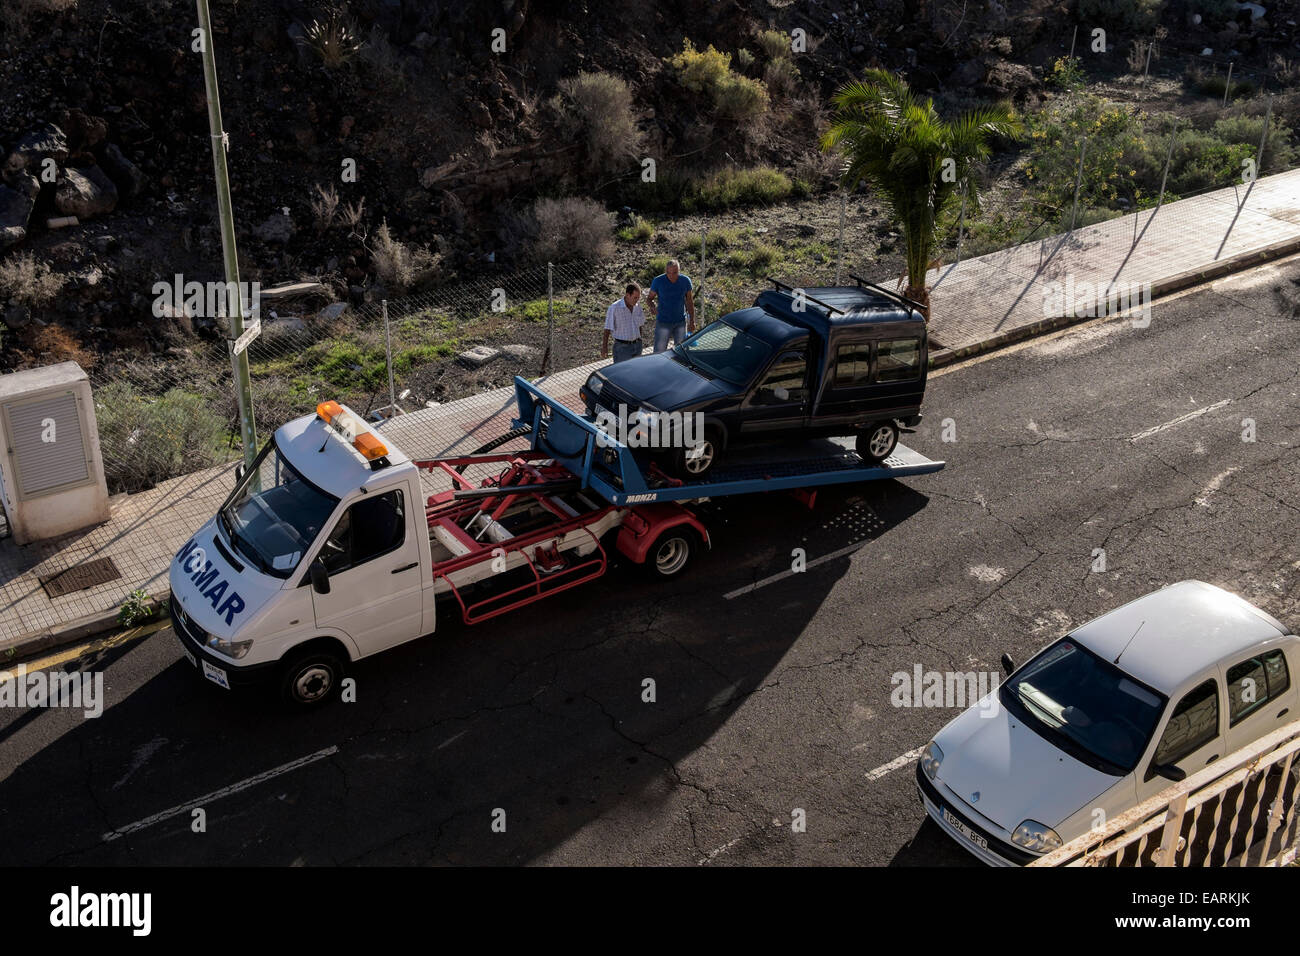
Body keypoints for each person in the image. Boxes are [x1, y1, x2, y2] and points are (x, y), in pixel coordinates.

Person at [645, 259, 695, 352]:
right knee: (659, 352)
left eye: (674, 273)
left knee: (681, 351)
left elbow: (689, 301)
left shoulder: (685, 281)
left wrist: (692, 321)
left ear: (679, 271)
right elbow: (649, 299)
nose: (671, 275)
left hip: (680, 321)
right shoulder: (658, 281)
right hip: (663, 322)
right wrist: (652, 306)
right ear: (665, 271)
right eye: (668, 273)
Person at [601, 282, 646, 363]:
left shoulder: (638, 306)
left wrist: (640, 340)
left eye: (638, 298)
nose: (637, 300)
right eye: (635, 298)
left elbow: (639, 325)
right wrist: (605, 348)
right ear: (628, 295)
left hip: (637, 345)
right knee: (622, 373)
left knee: (636, 371)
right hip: (622, 348)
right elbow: (607, 328)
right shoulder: (614, 308)